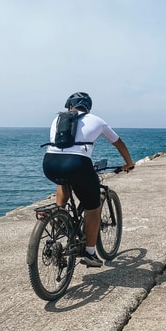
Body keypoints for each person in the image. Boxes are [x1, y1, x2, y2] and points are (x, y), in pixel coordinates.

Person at [42, 92, 136, 267]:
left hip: (50, 164)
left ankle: (59, 215)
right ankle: (90, 253)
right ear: (88, 108)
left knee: (64, 181)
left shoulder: (57, 119)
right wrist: (129, 163)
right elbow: (118, 143)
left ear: (70, 106)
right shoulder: (97, 120)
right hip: (77, 165)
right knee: (93, 208)